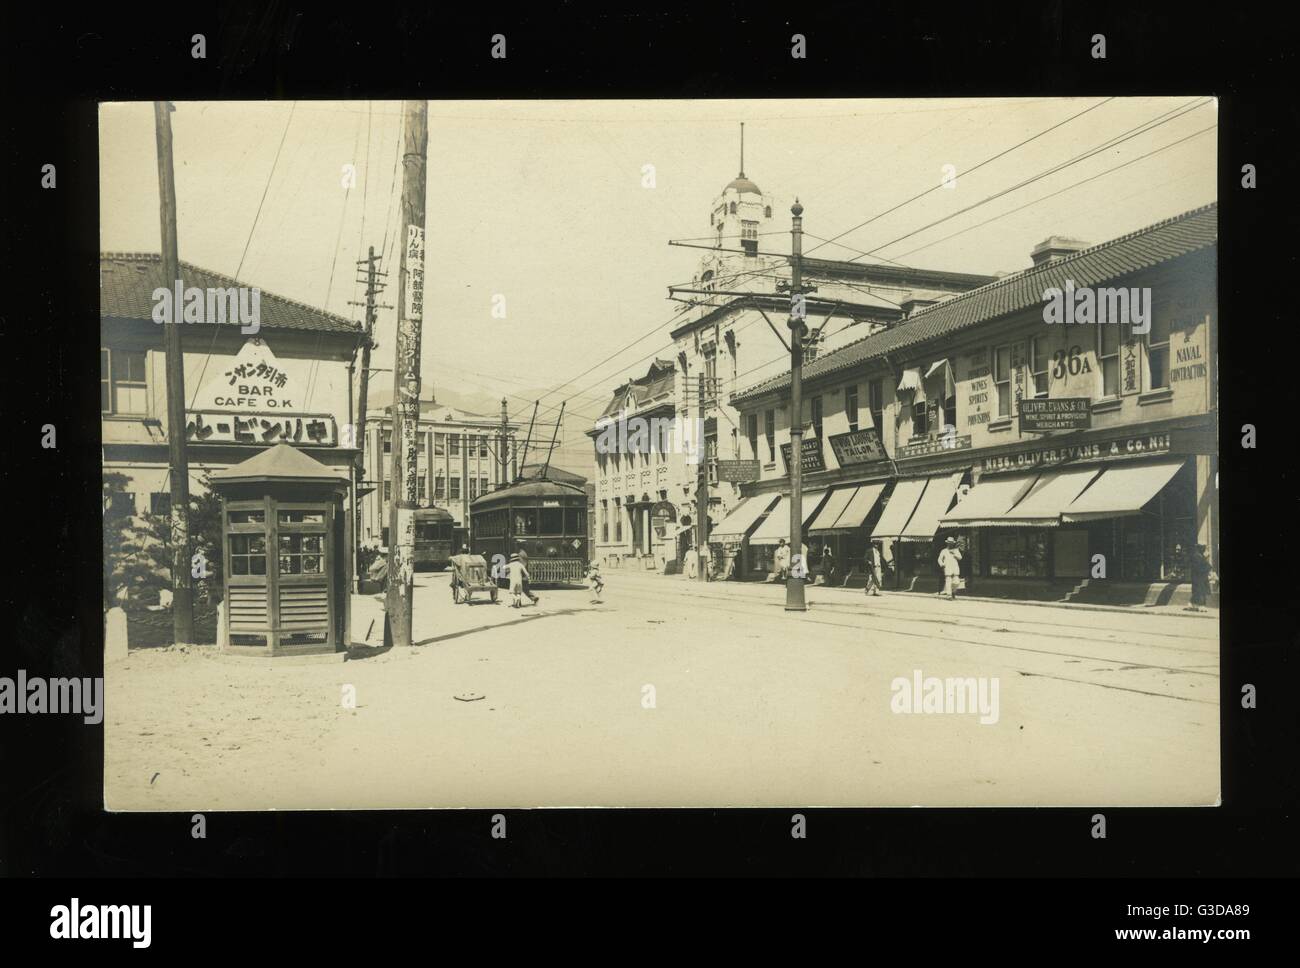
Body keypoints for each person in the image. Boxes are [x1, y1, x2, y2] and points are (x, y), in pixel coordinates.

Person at [1187, 544, 1215, 611]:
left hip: (1201, 578)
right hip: (1198, 578)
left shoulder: (1199, 555)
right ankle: (1201, 606)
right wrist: (1205, 558)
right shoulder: (1197, 556)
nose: (1204, 549)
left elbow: (1204, 565)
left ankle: (1192, 604)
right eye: (1204, 548)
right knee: (1200, 592)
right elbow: (1201, 567)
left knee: (1199, 592)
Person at [937, 536, 962, 601]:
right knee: (948, 581)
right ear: (947, 543)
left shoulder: (956, 550)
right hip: (947, 567)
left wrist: (954, 554)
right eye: (949, 543)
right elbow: (939, 559)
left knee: (956, 582)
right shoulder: (944, 551)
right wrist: (942, 564)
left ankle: (953, 592)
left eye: (951, 543)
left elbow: (960, 558)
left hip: (955, 568)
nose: (950, 544)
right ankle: (949, 595)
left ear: (953, 543)